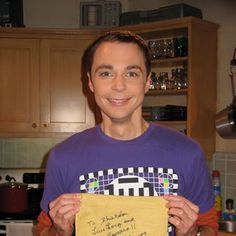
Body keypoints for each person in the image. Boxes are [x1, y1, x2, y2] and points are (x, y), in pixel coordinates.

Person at [36, 31, 218, 236]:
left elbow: (209, 225)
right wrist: (59, 231)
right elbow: (42, 229)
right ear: (90, 82)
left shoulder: (188, 153)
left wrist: (193, 233)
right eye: (106, 73)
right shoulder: (63, 157)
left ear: (147, 81)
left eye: (131, 73)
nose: (119, 86)